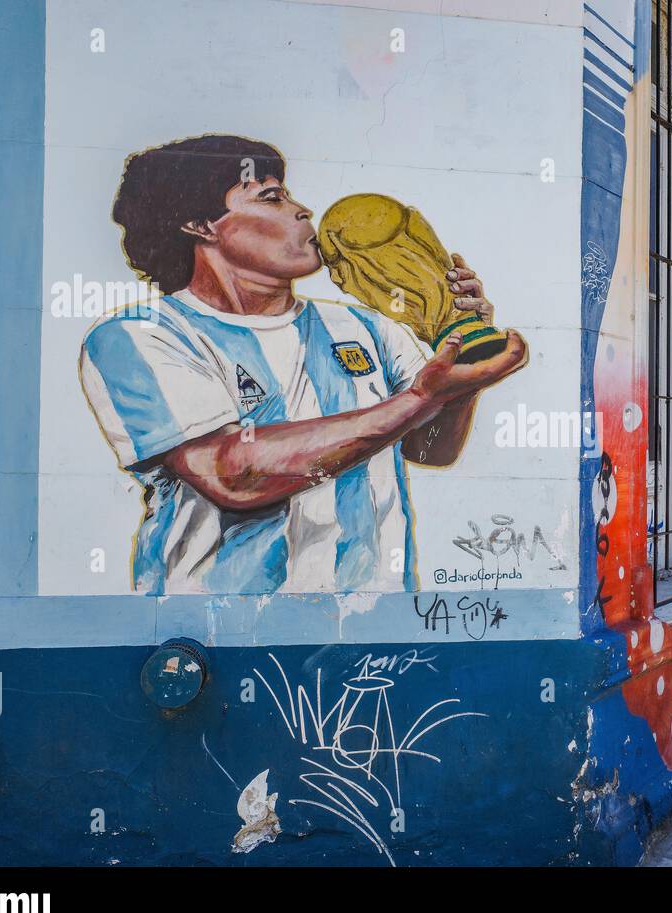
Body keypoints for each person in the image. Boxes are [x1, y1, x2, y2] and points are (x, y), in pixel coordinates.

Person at [79, 134, 527, 594]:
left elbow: (431, 449)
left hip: (373, 624)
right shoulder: (143, 335)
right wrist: (420, 397)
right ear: (201, 224)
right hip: (219, 630)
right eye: (271, 197)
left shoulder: (366, 327)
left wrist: (461, 364)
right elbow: (232, 473)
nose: (303, 210)